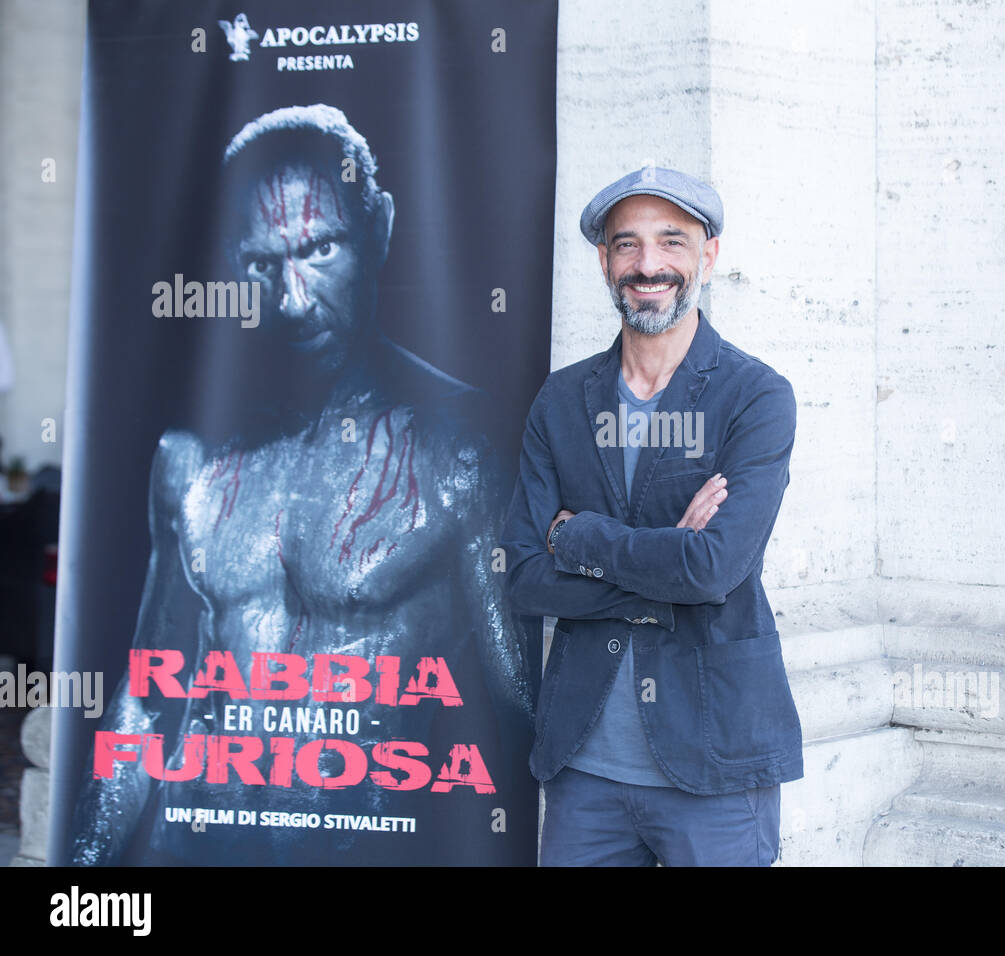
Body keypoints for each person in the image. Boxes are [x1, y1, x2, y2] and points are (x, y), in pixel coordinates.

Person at [70, 104, 534, 865]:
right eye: (260, 263)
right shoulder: (189, 457)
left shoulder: (461, 452)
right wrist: (83, 871)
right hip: (193, 848)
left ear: (379, 228)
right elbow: (149, 696)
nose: (289, 300)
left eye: (320, 248)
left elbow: (520, 704)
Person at [501, 165, 803, 866]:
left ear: (708, 255)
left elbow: (712, 570)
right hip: (584, 769)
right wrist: (665, 563)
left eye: (671, 241)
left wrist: (575, 536)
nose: (648, 264)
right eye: (626, 244)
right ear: (604, 261)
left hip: (715, 760)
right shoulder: (561, 399)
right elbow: (523, 578)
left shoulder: (757, 397)